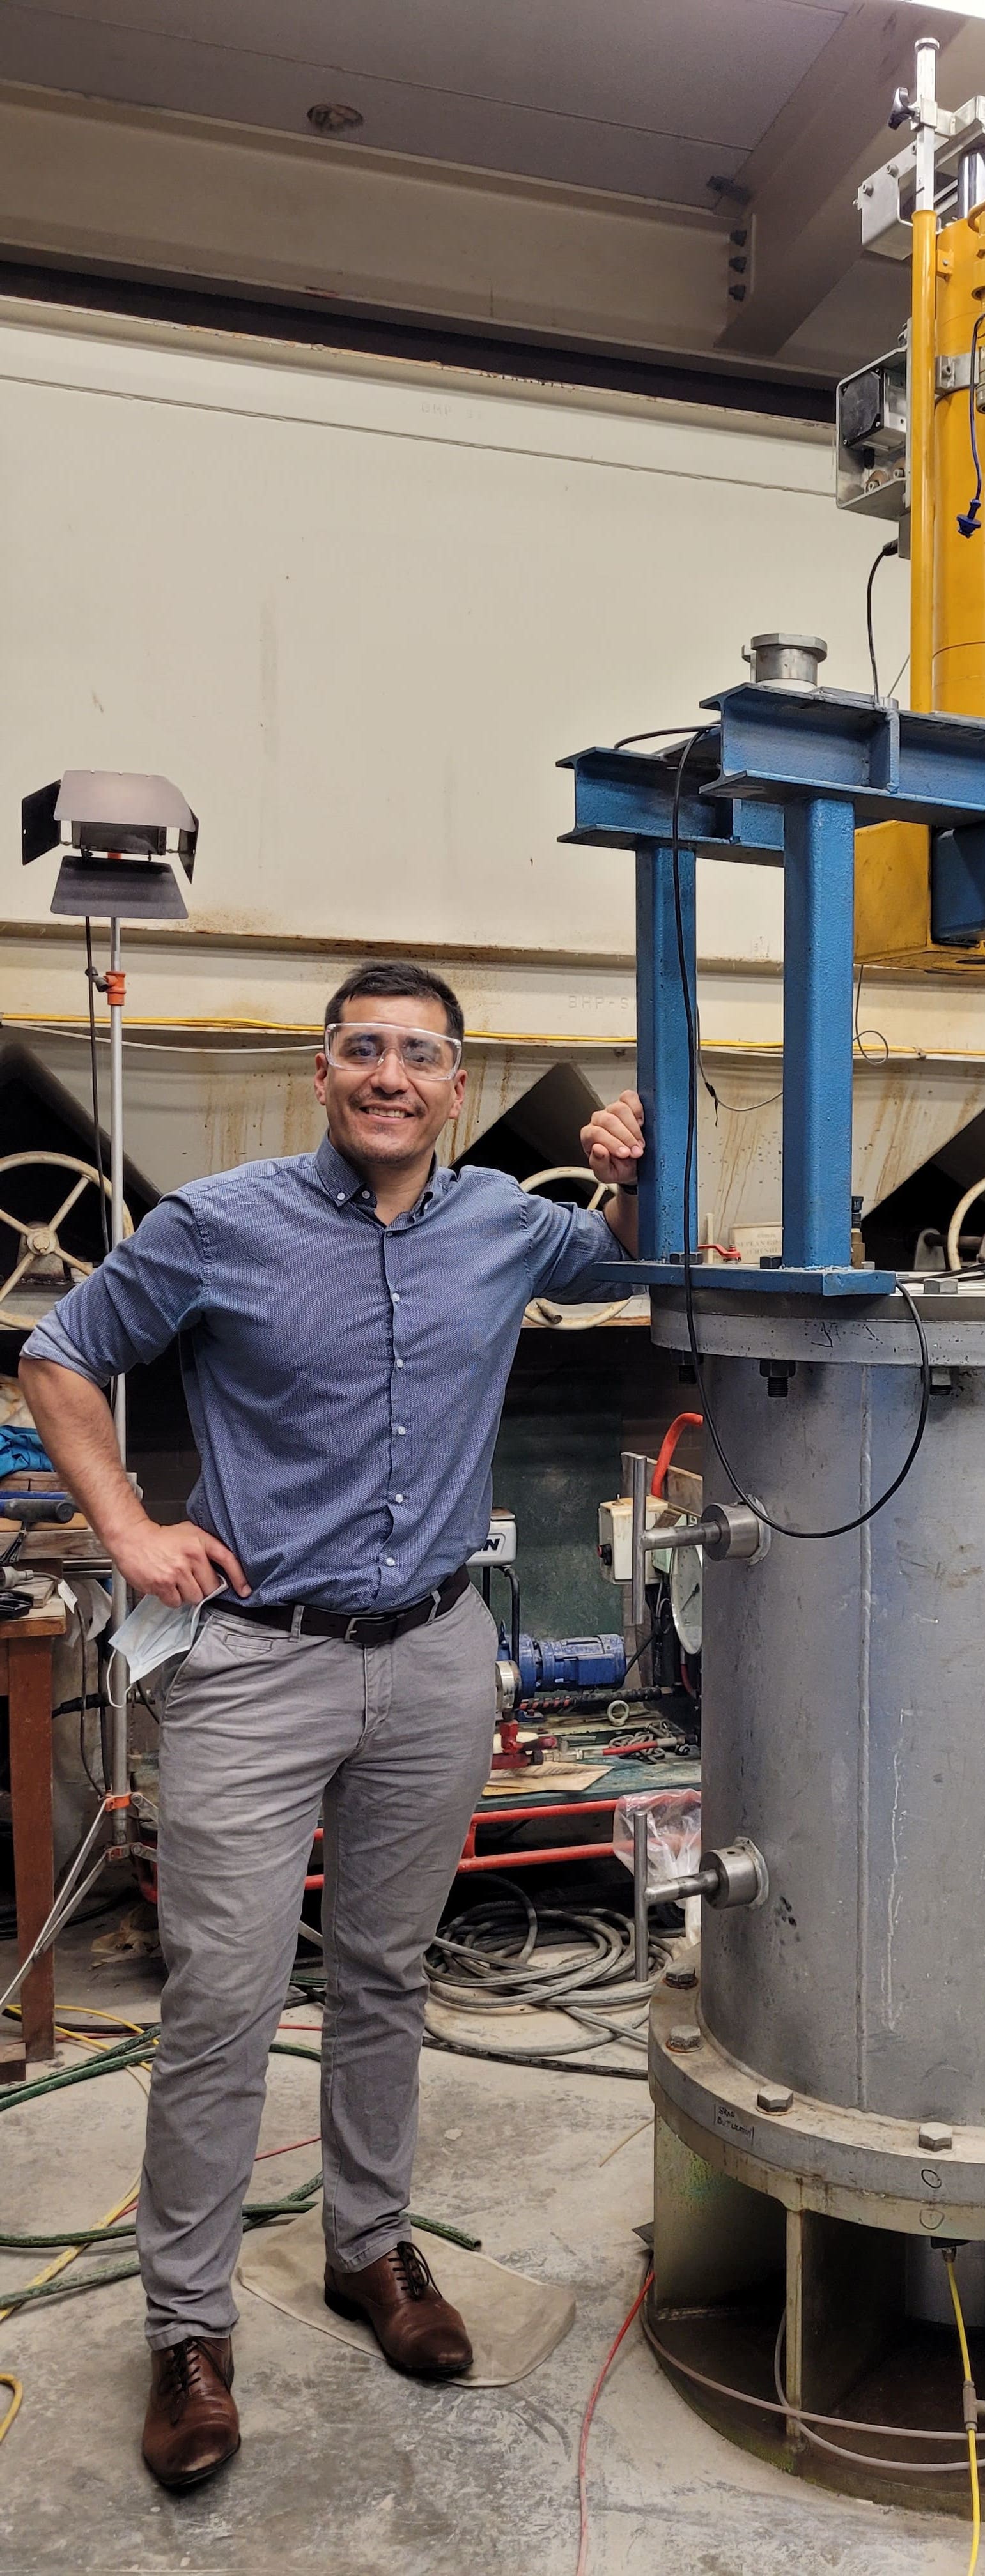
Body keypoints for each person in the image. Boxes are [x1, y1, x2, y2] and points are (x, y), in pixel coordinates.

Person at [19, 959, 645, 2489]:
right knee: (226, 1998)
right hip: (255, 1663)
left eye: (420, 1056)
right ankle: (187, 2326)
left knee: (382, 1971)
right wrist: (127, 1530)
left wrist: (632, 1182)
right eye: (362, 1049)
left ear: (457, 1085)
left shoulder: (508, 1222)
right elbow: (58, 1356)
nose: (390, 1076)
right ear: (323, 1073)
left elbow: (626, 1267)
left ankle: (372, 2249)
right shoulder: (220, 1223)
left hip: (436, 1654)